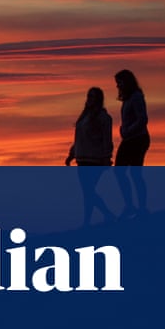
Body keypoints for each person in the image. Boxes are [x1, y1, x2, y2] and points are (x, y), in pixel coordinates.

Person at [64, 87, 115, 226]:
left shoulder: (104, 118)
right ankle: (91, 220)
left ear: (98, 99)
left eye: (92, 96)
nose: (90, 99)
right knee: (88, 192)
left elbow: (107, 139)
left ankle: (100, 216)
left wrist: (106, 157)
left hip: (95, 160)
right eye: (88, 96)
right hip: (82, 159)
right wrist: (71, 154)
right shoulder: (84, 117)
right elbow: (79, 138)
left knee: (88, 191)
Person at [113, 69, 149, 218]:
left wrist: (128, 130)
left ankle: (141, 208)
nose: (117, 86)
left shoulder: (136, 97)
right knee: (120, 171)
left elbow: (143, 119)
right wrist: (123, 130)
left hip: (138, 139)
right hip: (129, 139)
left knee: (135, 174)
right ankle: (130, 206)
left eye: (119, 82)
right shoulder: (128, 99)